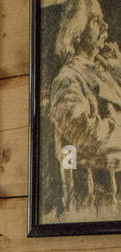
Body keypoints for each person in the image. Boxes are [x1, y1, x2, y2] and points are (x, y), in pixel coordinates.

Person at [48, 0, 121, 216]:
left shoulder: (106, 71)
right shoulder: (67, 79)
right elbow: (84, 136)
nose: (105, 26)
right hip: (92, 206)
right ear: (77, 32)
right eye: (96, 21)